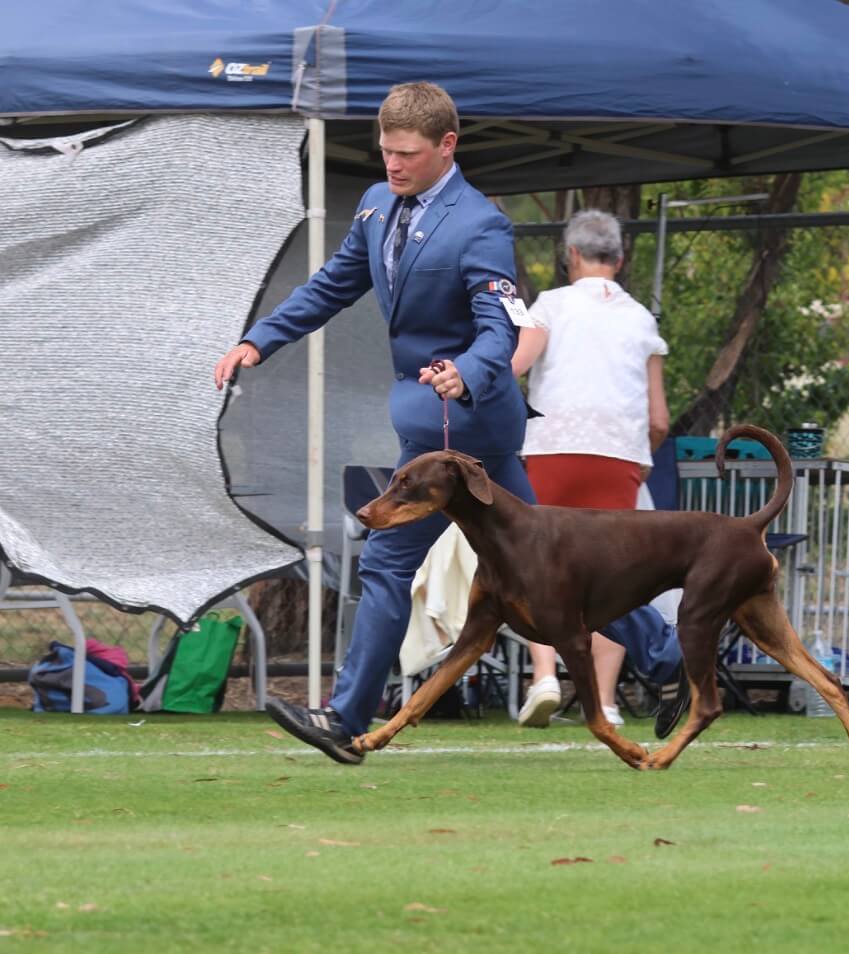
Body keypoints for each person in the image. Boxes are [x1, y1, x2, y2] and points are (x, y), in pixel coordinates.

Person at [213, 81, 534, 764]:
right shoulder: (375, 204)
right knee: (541, 560)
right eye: (386, 152)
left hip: (462, 419)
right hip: (438, 425)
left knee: (388, 562)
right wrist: (259, 340)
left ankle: (346, 718)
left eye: (408, 154)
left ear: (447, 146)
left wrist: (466, 373)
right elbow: (332, 284)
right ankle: (663, 665)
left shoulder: (480, 223)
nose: (393, 165)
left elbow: (499, 329)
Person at [511, 209, 671, 728]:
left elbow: (518, 364)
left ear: (571, 256)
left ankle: (544, 677)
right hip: (619, 453)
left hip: (552, 445)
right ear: (620, 260)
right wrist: (639, 461)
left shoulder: (550, 305)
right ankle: (602, 700)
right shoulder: (642, 318)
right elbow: (659, 418)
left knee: (538, 567)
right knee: (610, 579)